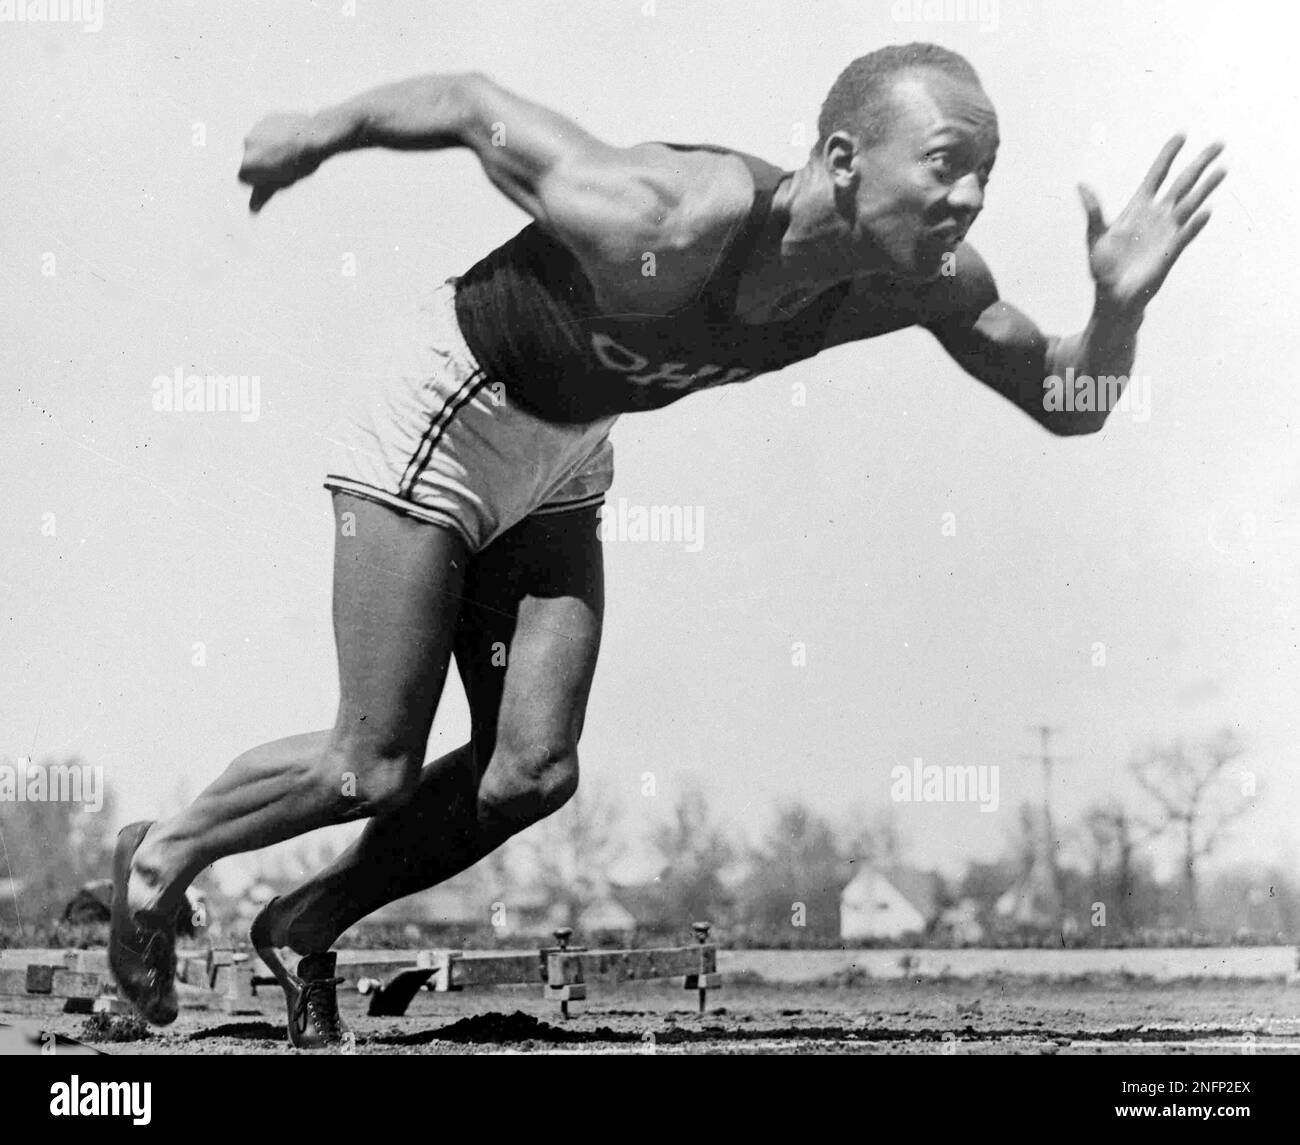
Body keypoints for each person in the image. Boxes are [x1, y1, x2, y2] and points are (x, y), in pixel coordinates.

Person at [110, 43, 1224, 1046]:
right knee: (368, 761)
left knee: (531, 771)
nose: (969, 197)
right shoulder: (665, 215)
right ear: (843, 156)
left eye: (986, 170)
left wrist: (1116, 308)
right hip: (452, 407)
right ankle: (165, 851)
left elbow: (1066, 398)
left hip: (568, 452)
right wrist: (319, 130)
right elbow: (468, 102)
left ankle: (302, 922)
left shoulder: (919, 286)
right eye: (943, 164)